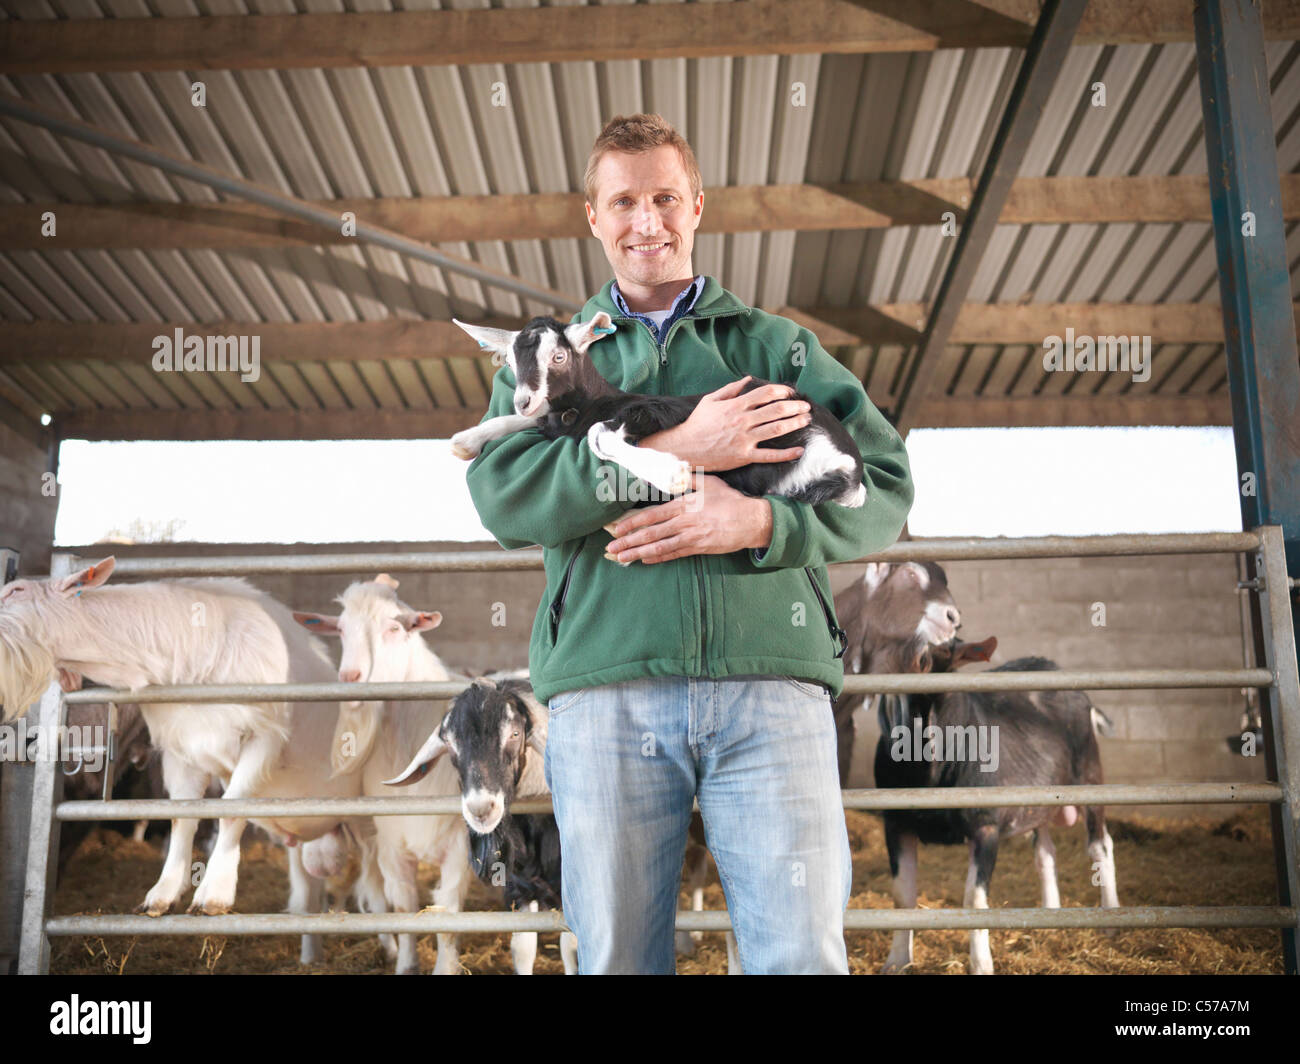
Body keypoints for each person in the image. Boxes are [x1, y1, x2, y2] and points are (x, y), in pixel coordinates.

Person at [465, 113, 913, 974]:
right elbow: (504, 493)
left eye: (666, 198)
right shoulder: (548, 356)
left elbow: (883, 487)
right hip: (607, 695)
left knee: (800, 958)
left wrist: (764, 524)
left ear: (697, 205)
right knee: (619, 959)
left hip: (772, 692)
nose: (647, 222)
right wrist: (675, 454)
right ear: (591, 216)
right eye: (623, 201)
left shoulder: (777, 347)